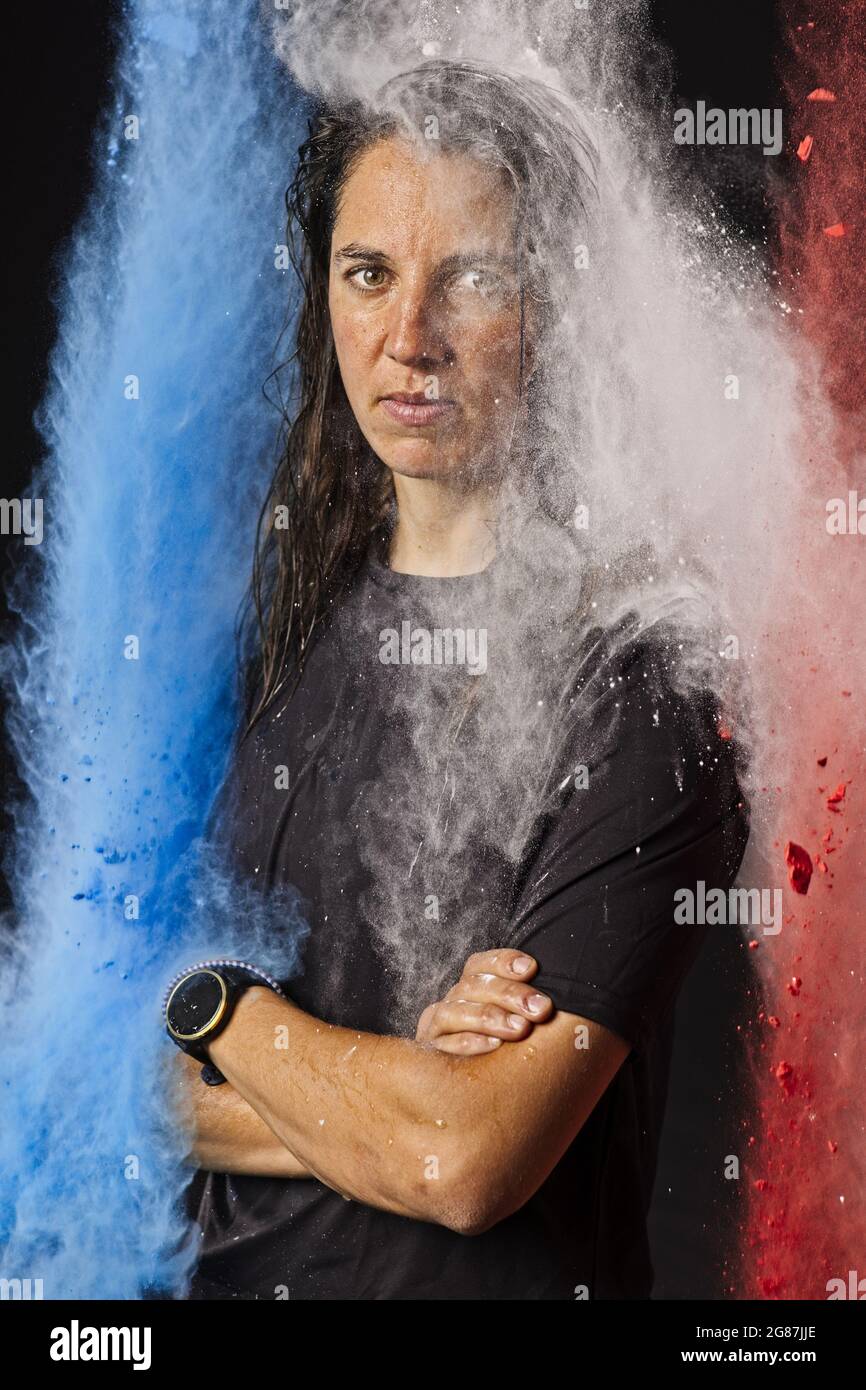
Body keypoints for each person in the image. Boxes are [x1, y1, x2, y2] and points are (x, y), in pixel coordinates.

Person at [168, 59, 750, 1300]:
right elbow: (107, 1082)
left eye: (471, 279)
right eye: (367, 273)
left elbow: (466, 1154)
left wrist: (210, 1006)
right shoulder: (261, 626)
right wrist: (393, 1076)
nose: (408, 338)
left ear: (554, 307)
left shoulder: (643, 667)